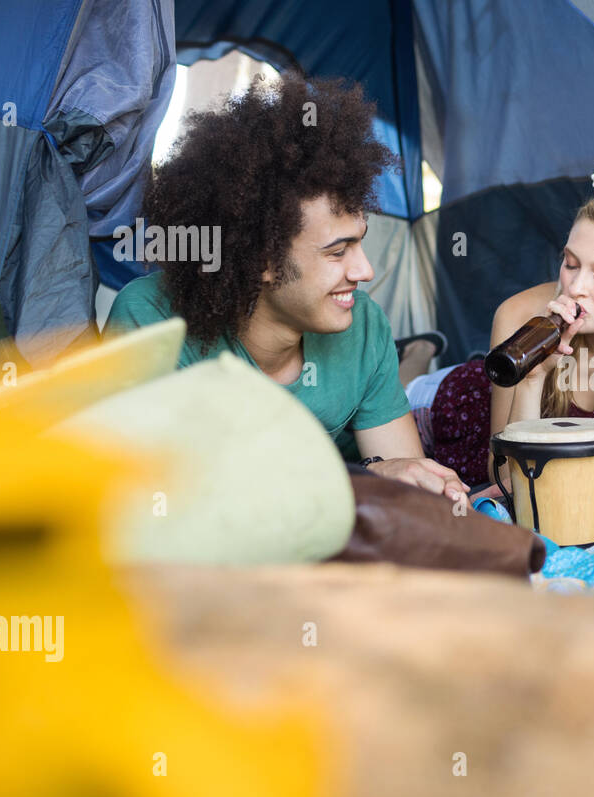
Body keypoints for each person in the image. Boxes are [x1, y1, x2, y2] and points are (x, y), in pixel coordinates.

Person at [104, 72, 468, 503]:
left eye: (360, 241)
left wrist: (419, 484)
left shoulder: (363, 325)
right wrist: (364, 478)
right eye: (338, 252)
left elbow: (409, 497)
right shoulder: (150, 322)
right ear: (262, 259)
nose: (365, 271)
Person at [406, 169, 594, 488]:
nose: (576, 287)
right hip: (453, 407)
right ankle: (414, 356)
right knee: (405, 392)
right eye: (570, 264)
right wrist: (533, 377)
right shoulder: (518, 313)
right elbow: (507, 481)